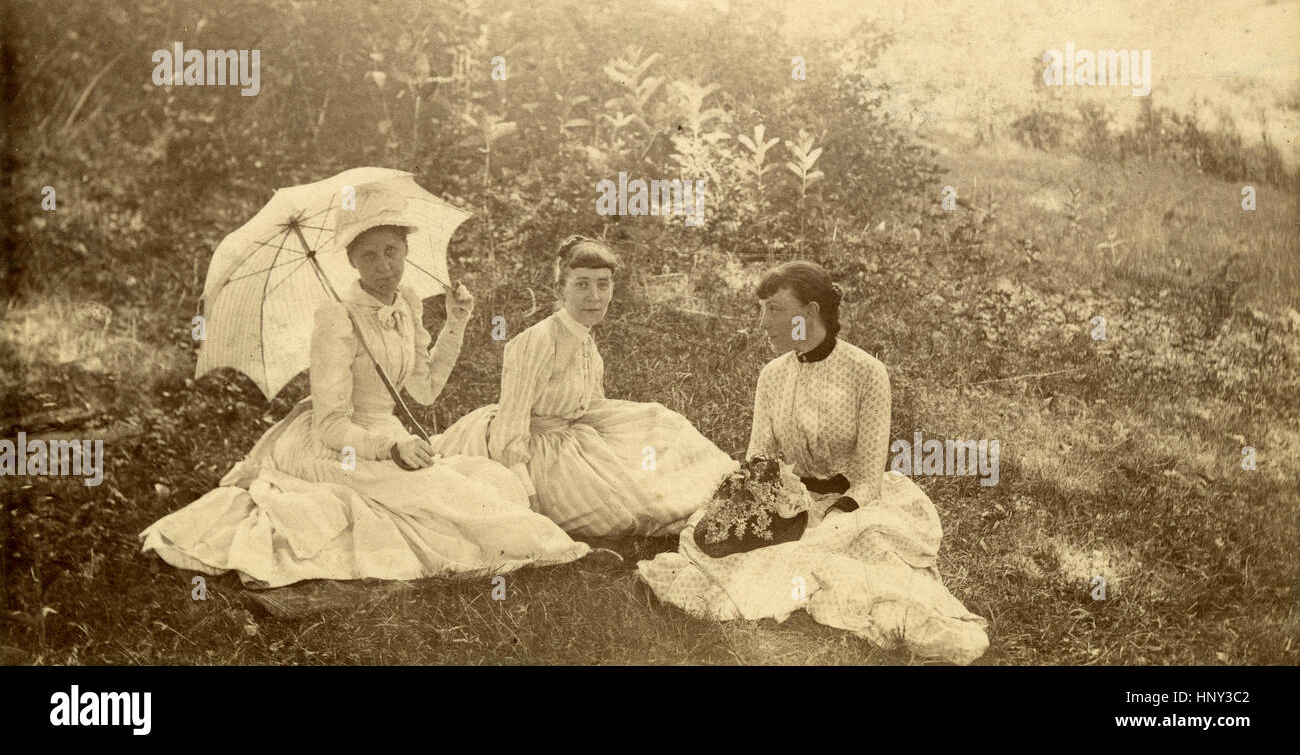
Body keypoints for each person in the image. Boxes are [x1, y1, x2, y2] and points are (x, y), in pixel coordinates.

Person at [141, 182, 589, 588]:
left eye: (392, 250)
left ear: (407, 250)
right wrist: (390, 451)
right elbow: (330, 427)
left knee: (481, 483)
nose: (383, 266)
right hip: (337, 444)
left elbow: (426, 389)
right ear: (351, 260)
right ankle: (535, 547)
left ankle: (523, 541)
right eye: (369, 255)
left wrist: (455, 323)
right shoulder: (336, 319)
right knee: (439, 500)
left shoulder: (408, 303)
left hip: (386, 434)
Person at [637, 261, 989, 665]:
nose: (763, 322)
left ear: (812, 312)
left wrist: (836, 517)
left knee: (859, 572)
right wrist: (751, 499)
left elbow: (870, 475)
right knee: (715, 551)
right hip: (793, 502)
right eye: (762, 309)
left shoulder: (867, 373)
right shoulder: (771, 375)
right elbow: (760, 456)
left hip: (856, 502)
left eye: (775, 309)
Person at [432, 235, 736, 538]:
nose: (594, 295)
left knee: (662, 428)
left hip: (568, 438)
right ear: (559, 290)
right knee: (623, 515)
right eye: (582, 284)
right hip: (529, 450)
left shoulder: (585, 341)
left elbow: (590, 407)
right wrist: (525, 496)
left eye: (603, 284)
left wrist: (646, 422)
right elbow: (510, 428)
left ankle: (730, 488)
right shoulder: (536, 341)